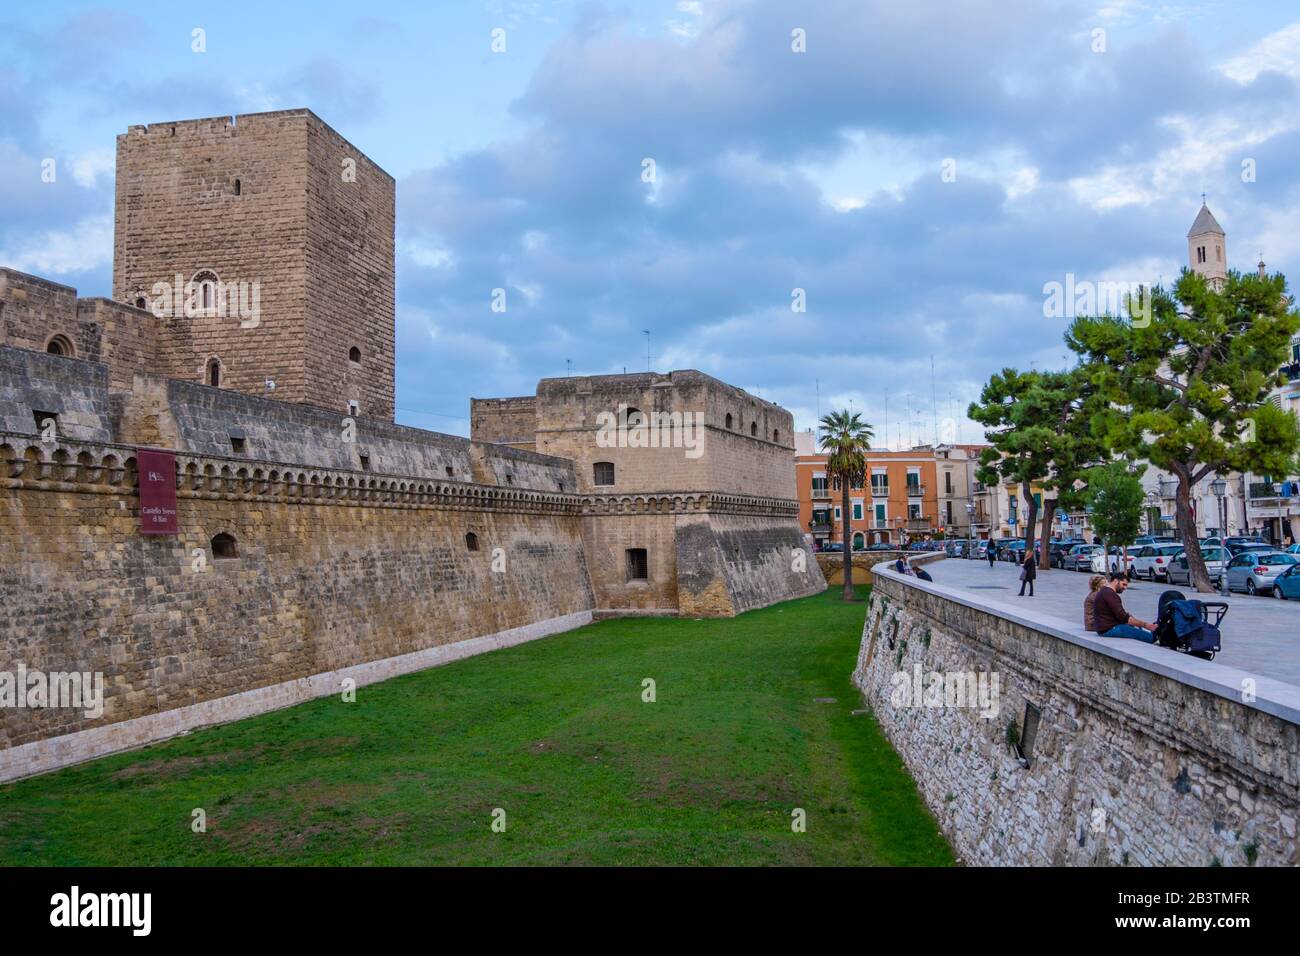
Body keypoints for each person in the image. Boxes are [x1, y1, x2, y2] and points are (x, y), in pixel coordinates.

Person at [1090, 572, 1156, 642]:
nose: (1125, 588)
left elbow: (1121, 615)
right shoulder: (1110, 594)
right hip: (1109, 630)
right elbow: (1124, 617)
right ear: (1116, 581)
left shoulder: (1104, 591)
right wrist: (1146, 625)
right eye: (1123, 584)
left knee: (1136, 628)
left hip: (1105, 629)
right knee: (1150, 638)